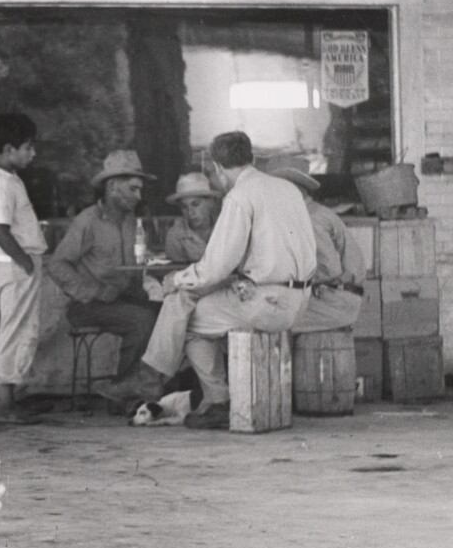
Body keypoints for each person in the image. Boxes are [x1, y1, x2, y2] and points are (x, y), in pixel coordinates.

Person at [119, 131, 317, 429]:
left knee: (187, 321)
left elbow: (215, 267)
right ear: (250, 157)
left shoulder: (239, 196)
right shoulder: (288, 189)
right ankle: (152, 376)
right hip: (299, 301)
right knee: (188, 305)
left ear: (216, 166)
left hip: (266, 302)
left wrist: (177, 279)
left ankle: (216, 399)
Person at [45, 150, 161, 401]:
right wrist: (95, 291)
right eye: (133, 189)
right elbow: (57, 265)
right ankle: (124, 391)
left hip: (122, 300)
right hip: (87, 305)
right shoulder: (87, 221)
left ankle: (147, 387)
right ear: (112, 187)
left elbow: (135, 265)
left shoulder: (132, 221)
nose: (139, 196)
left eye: (140, 190)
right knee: (142, 320)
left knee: (167, 315)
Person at [0, 113, 47, 423]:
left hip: (15, 266)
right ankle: (3, 404)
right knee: (15, 332)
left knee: (20, 330)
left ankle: (11, 398)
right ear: (8, 150)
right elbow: (1, 232)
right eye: (28, 147)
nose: (33, 153)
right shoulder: (1, 185)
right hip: (15, 266)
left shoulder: (5, 178)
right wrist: (26, 262)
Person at [269, 167, 367, 333]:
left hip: (333, 301)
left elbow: (328, 271)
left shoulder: (310, 219)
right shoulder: (311, 212)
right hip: (333, 297)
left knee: (262, 318)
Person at [163, 172, 220, 264]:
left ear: (210, 202)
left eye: (195, 204)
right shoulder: (175, 236)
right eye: (184, 207)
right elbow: (174, 270)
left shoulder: (225, 227)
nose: (190, 212)